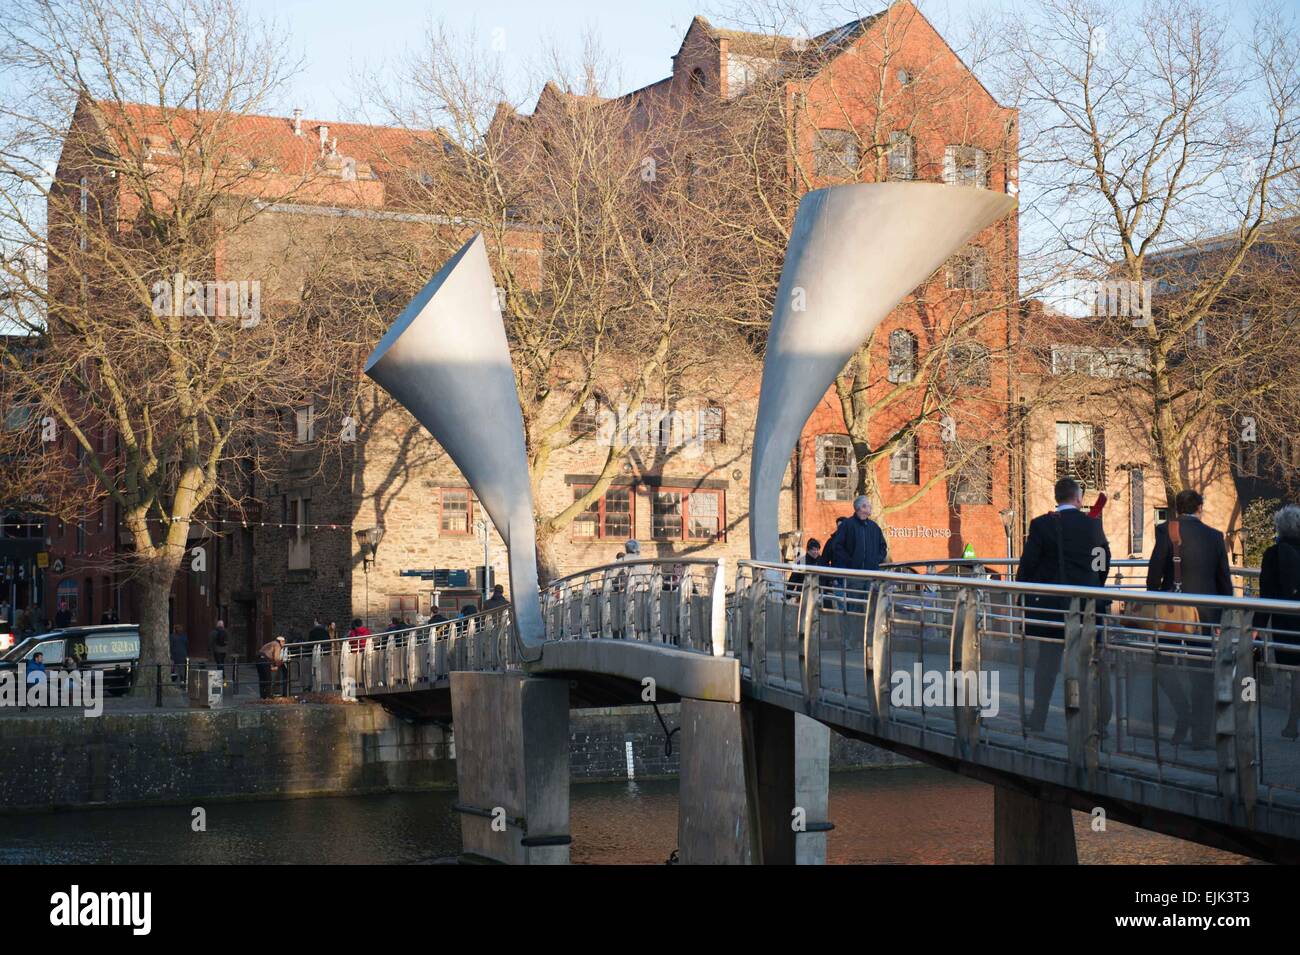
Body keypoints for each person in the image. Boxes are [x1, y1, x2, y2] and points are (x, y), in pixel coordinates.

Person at [1016, 477, 1111, 733]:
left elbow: (1028, 565)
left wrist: (1021, 598)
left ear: (1057, 498)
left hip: (1052, 608)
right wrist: (1094, 584)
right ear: (1078, 499)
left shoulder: (1041, 525)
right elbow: (1103, 560)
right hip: (1086, 607)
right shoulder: (1092, 525)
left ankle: (1038, 718)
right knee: (1090, 662)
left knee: (1046, 664)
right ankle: (1097, 722)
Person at [1145, 488, 1232, 747]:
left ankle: (1183, 714)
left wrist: (1159, 599)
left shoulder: (1166, 531)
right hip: (1204, 615)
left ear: (1177, 509)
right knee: (1201, 674)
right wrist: (1220, 619)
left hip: (1172, 613)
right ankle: (1199, 734)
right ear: (1199, 508)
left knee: (1161, 666)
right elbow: (1224, 582)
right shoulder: (1215, 537)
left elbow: (1153, 576)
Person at [1258, 504, 1300, 740]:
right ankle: (1292, 721)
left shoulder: (1274, 555)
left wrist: (1255, 628)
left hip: (1287, 624)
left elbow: (1267, 595)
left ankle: (1292, 722)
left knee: (1294, 673)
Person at [825, 496, 888, 615]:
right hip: (854, 576)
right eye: (868, 505)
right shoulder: (847, 525)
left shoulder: (874, 527)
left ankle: (868, 634)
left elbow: (883, 547)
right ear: (861, 508)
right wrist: (850, 562)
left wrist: (876, 560)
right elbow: (837, 546)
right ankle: (853, 633)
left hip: (872, 576)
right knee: (854, 610)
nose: (871, 507)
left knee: (872, 610)